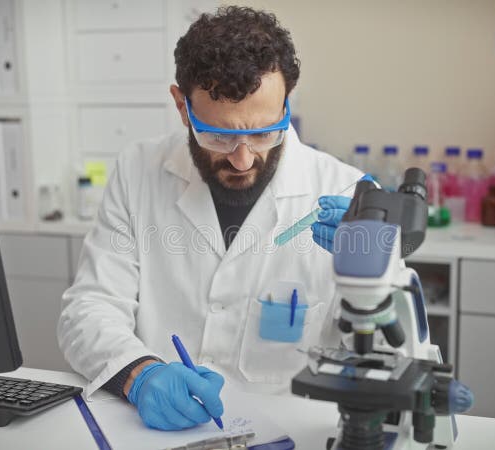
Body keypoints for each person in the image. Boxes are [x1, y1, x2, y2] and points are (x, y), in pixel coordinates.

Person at [58, 6, 361, 431]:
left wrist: (375, 274)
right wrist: (139, 374)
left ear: (286, 103)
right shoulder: (138, 170)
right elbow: (89, 308)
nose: (243, 158)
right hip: (155, 434)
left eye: (262, 132)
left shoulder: (346, 192)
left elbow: (390, 353)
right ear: (182, 106)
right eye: (219, 135)